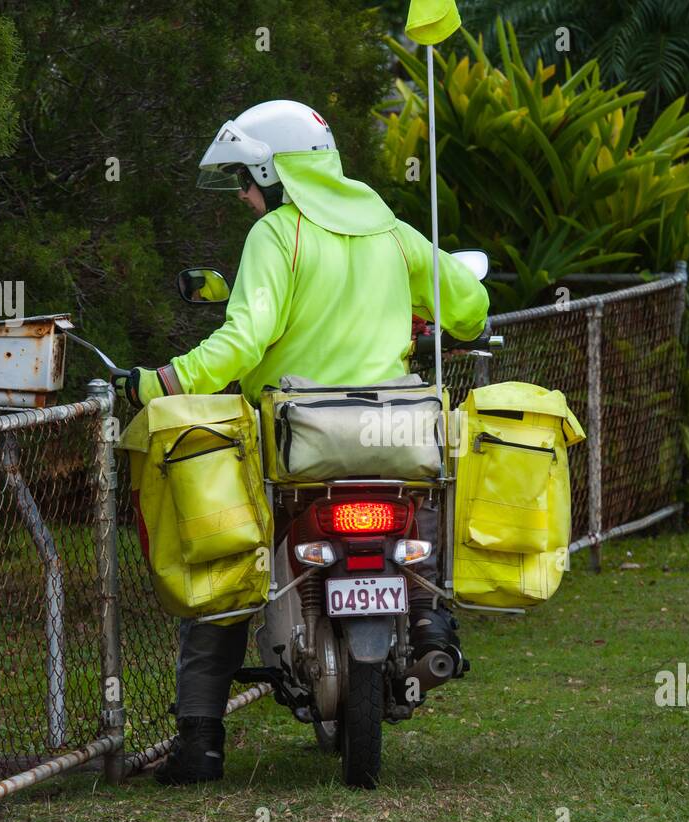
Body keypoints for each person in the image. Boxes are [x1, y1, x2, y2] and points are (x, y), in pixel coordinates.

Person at [114, 100, 488, 785]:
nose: (245, 198)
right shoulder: (390, 231)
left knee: (232, 559)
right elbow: (470, 304)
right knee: (425, 500)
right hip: (393, 433)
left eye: (248, 182)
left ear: (275, 172)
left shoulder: (277, 236)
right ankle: (432, 623)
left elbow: (246, 338)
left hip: (297, 442)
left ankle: (200, 739)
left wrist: (162, 380)